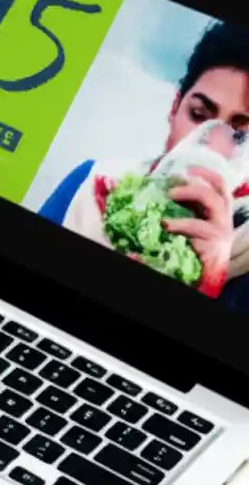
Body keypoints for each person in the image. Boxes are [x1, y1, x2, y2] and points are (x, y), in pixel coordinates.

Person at [38, 19, 249, 312]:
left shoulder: (244, 255)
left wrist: (207, 283)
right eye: (198, 114)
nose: (212, 146)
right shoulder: (88, 185)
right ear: (174, 109)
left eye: (240, 136)